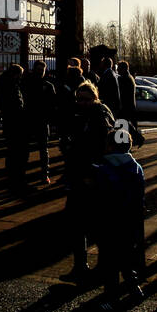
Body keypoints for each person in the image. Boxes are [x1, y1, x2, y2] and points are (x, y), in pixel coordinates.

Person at [61, 81, 115, 282]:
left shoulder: (99, 116)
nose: (81, 103)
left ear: (94, 97)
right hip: (79, 174)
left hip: (92, 177)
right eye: (79, 99)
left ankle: (99, 267)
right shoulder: (82, 115)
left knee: (94, 225)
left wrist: (92, 173)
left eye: (85, 99)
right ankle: (81, 266)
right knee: (77, 225)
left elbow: (100, 147)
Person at [91, 129, 146, 312]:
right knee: (125, 257)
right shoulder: (136, 167)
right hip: (130, 221)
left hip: (109, 221)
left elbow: (100, 198)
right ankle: (133, 288)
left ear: (110, 146)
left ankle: (111, 298)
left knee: (109, 262)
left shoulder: (103, 170)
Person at [21, 60, 57, 181]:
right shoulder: (43, 85)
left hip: (40, 121)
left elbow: (53, 105)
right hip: (30, 120)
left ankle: (44, 173)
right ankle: (37, 173)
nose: (40, 72)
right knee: (30, 149)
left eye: (41, 70)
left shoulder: (45, 85)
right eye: (38, 70)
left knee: (42, 149)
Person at [0, 64, 28, 191]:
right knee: (18, 151)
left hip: (9, 122)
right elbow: (17, 105)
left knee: (11, 150)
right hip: (15, 123)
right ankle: (16, 178)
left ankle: (11, 175)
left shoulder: (4, 84)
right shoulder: (12, 86)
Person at [115, 60, 144, 149]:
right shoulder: (129, 77)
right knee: (126, 125)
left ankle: (126, 144)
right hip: (130, 106)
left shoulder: (124, 79)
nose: (117, 70)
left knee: (123, 125)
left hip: (125, 106)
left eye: (119, 68)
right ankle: (127, 143)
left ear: (123, 68)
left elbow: (122, 94)